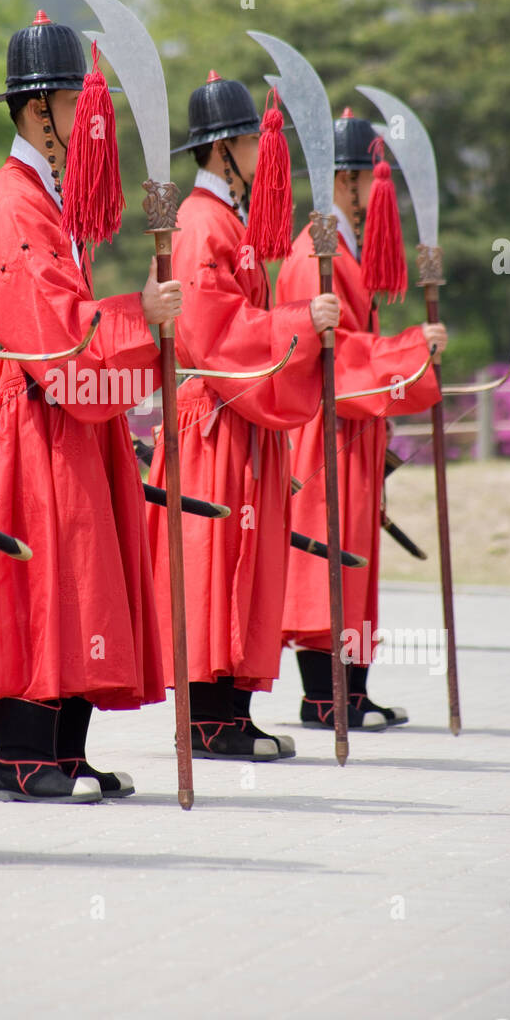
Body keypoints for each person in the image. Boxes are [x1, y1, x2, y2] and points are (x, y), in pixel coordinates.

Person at [0, 11, 182, 802]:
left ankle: (59, 750)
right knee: (38, 577)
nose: (94, 124)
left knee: (79, 573)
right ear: (36, 114)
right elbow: (51, 333)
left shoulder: (46, 197)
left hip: (65, 413)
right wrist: (140, 313)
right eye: (77, 107)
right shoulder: (15, 204)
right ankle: (21, 757)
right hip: (31, 414)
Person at [146, 71, 339, 760]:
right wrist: (298, 319)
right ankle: (205, 714)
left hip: (241, 408)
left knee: (245, 561)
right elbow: (211, 329)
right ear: (225, 148)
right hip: (213, 412)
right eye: (255, 143)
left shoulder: (230, 220)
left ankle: (229, 708)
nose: (266, 154)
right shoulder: (202, 223)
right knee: (211, 559)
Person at [276, 109, 447, 728]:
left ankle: (351, 690)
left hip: (356, 425)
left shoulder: (344, 252)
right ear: (346, 182)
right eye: (372, 183)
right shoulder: (310, 258)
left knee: (356, 555)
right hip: (324, 426)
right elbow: (336, 359)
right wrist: (409, 350)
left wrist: (406, 355)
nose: (382, 198)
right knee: (327, 555)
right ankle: (324, 697)